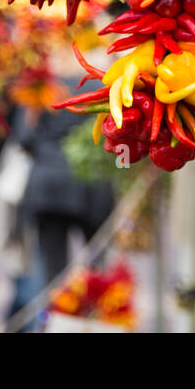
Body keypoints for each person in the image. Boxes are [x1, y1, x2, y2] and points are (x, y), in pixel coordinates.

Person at [13, 107, 116, 288]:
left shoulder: (39, 85)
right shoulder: (103, 84)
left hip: (49, 186)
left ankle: (57, 310)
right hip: (92, 182)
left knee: (54, 272)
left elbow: (24, 139)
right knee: (97, 267)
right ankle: (94, 310)